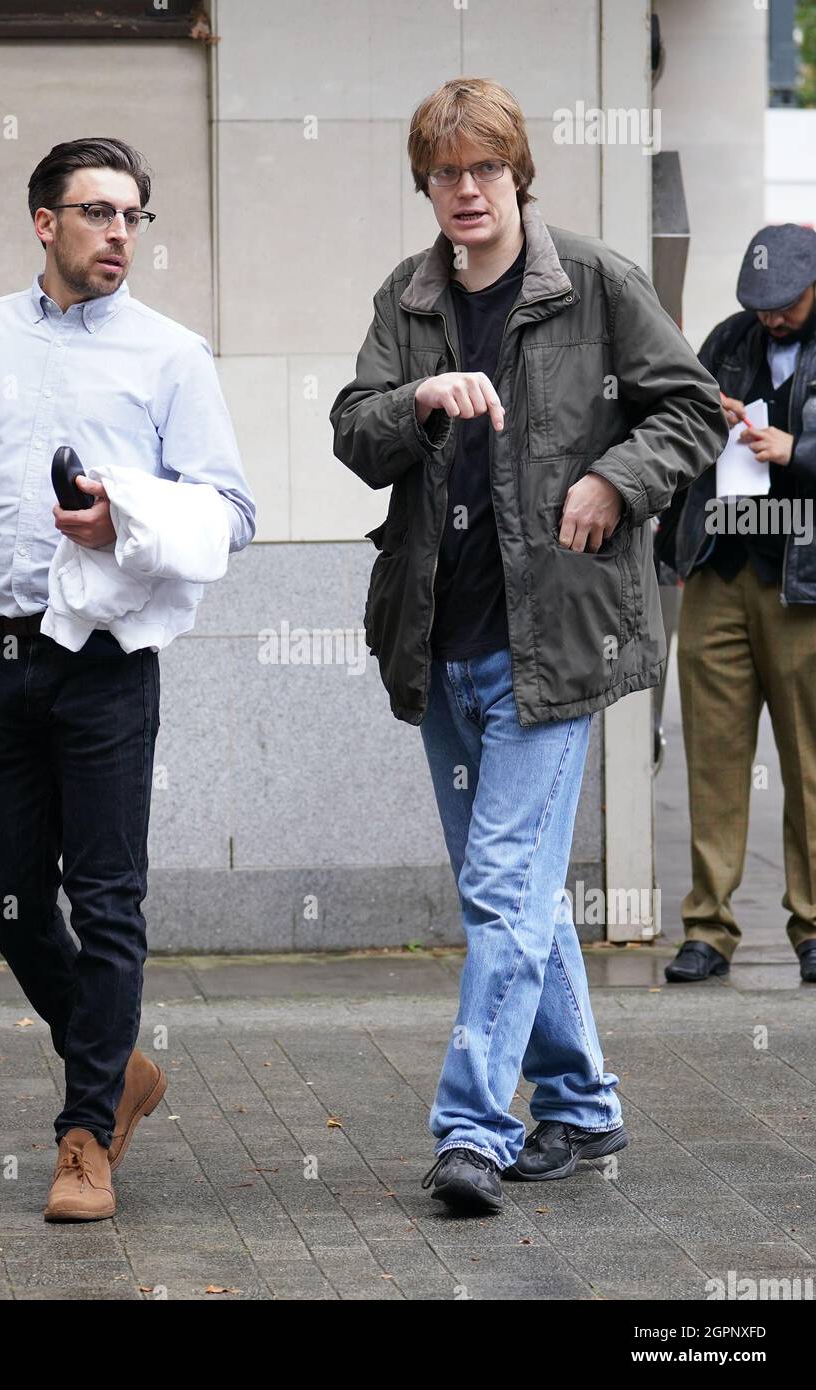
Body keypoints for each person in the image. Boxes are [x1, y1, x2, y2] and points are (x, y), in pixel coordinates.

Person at [330, 78, 725, 1214]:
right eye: (444, 173)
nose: (465, 190)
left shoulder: (593, 282)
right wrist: (419, 402)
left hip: (551, 644)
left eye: (483, 169)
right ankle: (586, 1103)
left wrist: (613, 477)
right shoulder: (406, 300)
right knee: (517, 894)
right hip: (436, 641)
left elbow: (690, 409)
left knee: (503, 884)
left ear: (517, 176)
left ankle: (472, 1127)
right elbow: (355, 432)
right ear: (427, 185)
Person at [0, 137, 255, 1222]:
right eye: (97, 213)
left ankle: (85, 1134)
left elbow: (231, 512)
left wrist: (125, 522)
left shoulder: (173, 354)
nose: (119, 234)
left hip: (104, 666)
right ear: (44, 222)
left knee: (107, 898)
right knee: (9, 903)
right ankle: (121, 1061)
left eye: (134, 215)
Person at [656, 224, 816, 985]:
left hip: (802, 581)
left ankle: (813, 927)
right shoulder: (726, 337)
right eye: (759, 305)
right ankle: (707, 930)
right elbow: (664, 428)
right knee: (712, 758)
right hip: (717, 571)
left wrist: (798, 452)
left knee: (807, 762)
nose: (770, 318)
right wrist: (701, 417)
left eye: (784, 304)